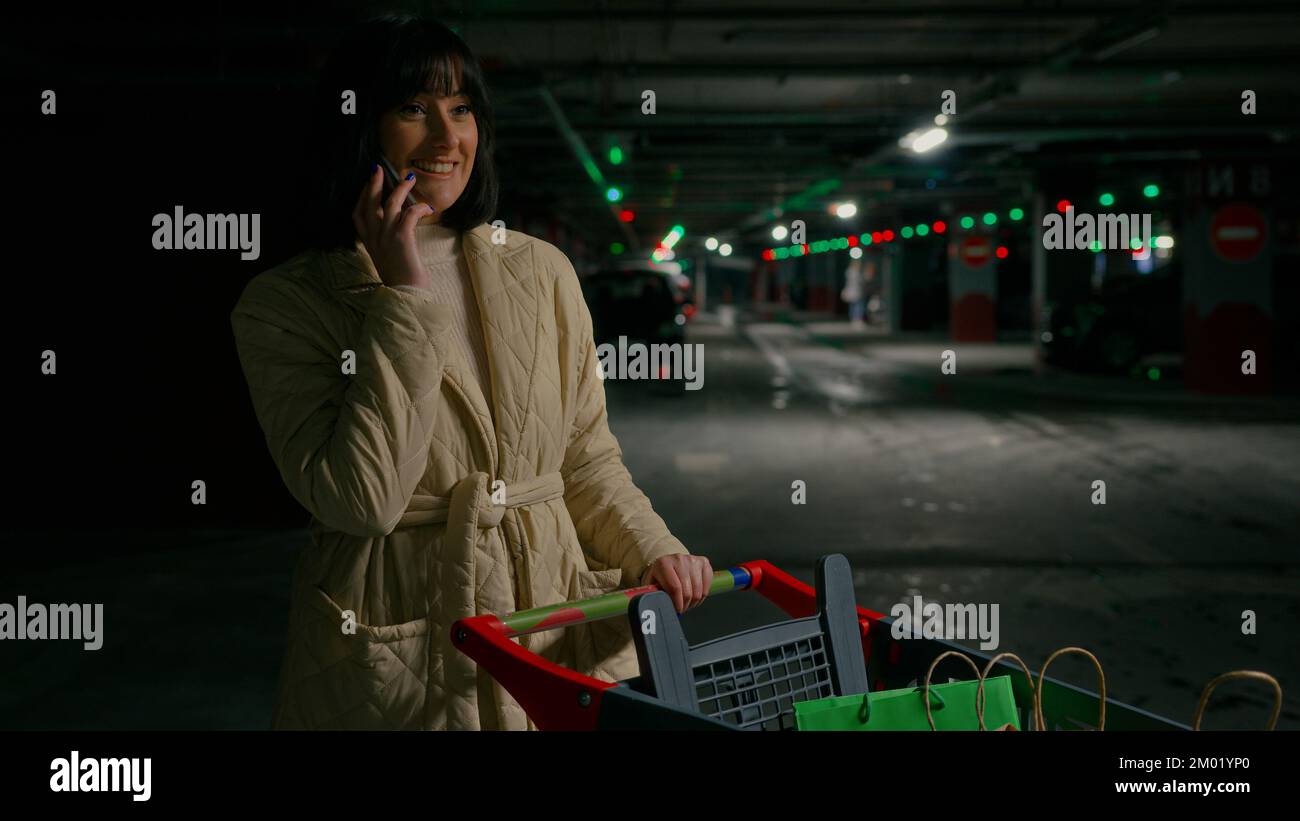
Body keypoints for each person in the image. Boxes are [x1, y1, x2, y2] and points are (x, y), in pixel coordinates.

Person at [229, 14, 711, 731]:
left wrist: (653, 547)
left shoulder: (540, 271)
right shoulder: (285, 303)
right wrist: (403, 296)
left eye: (462, 110)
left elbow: (585, 456)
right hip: (398, 635)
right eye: (414, 108)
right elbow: (363, 499)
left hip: (542, 610)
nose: (447, 137)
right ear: (359, 126)